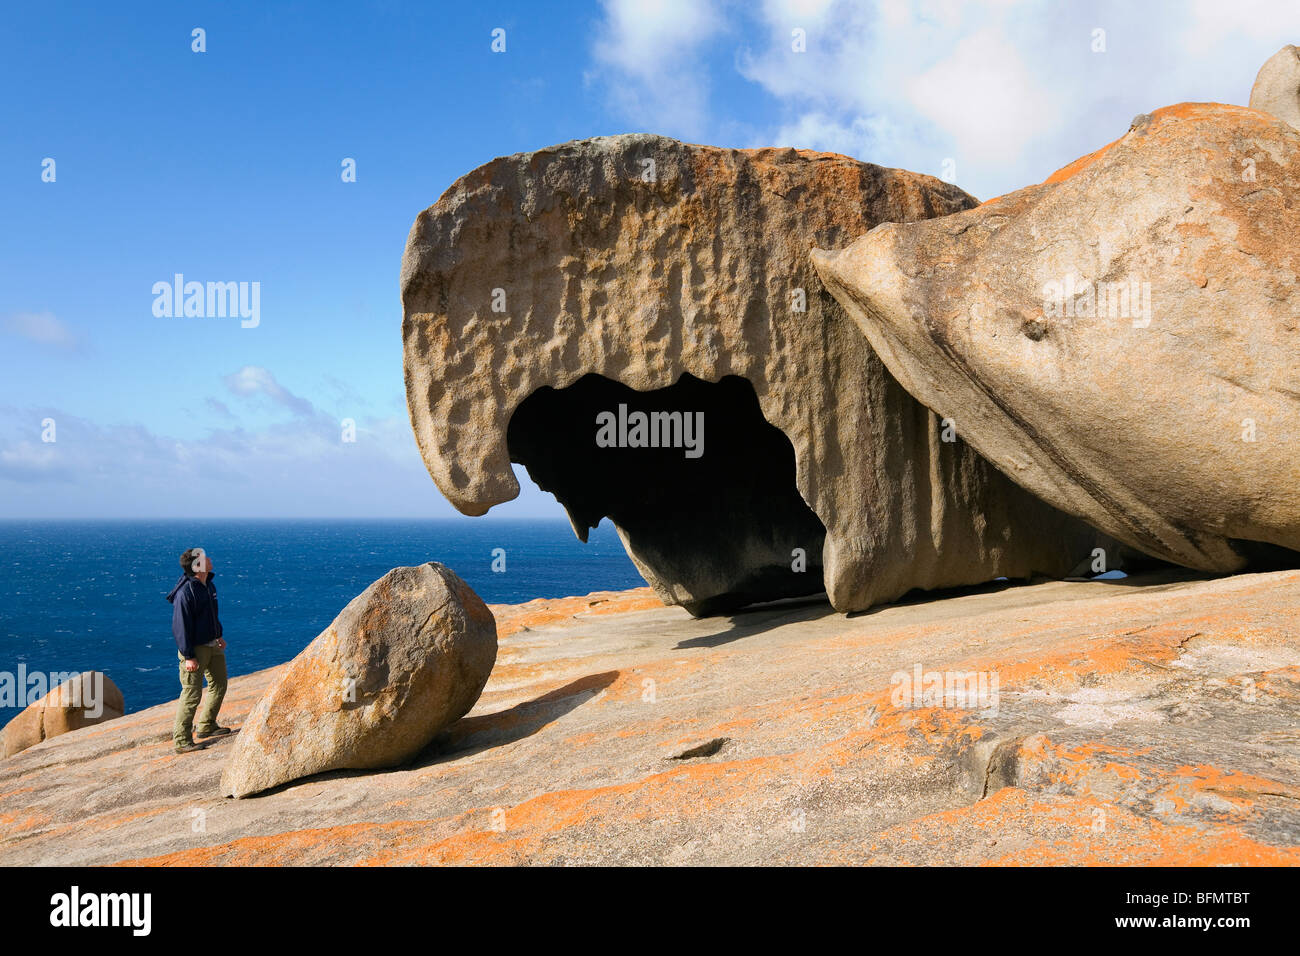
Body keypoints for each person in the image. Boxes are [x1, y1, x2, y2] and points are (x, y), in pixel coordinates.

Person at [166, 547, 232, 754]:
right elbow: (180, 626)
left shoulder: (208, 585)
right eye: (205, 558)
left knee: (219, 684)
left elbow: (212, 614)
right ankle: (182, 740)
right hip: (195, 650)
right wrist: (188, 656)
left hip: (212, 644)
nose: (210, 559)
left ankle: (206, 725)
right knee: (192, 694)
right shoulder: (186, 592)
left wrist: (218, 635)